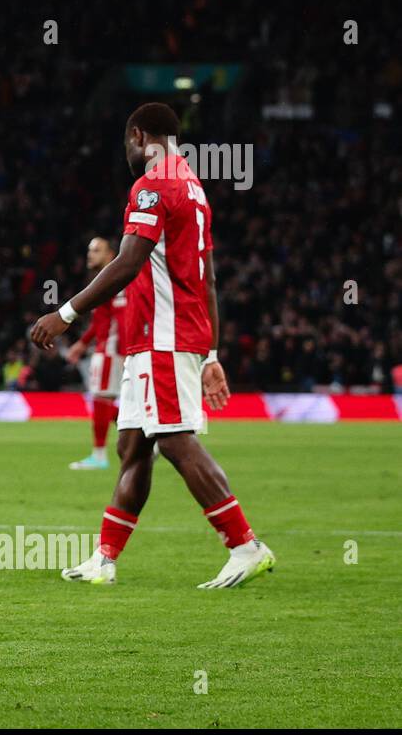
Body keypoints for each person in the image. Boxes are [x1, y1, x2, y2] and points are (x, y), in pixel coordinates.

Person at [30, 103, 275, 588]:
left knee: (174, 439)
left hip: (163, 338)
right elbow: (207, 280)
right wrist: (212, 354)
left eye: (128, 142)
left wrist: (64, 314)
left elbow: (126, 263)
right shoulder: (194, 188)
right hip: (162, 339)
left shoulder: (154, 185)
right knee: (133, 445)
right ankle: (104, 558)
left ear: (139, 135)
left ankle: (244, 544)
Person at [64, 237, 128, 470]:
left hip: (112, 350)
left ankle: (99, 455)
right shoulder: (105, 279)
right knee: (103, 401)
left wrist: (125, 350)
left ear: (111, 254)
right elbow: (102, 319)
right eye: (89, 250)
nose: (90, 254)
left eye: (97, 250)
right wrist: (82, 343)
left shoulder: (116, 279)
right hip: (106, 347)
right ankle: (148, 437)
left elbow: (122, 317)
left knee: (101, 400)